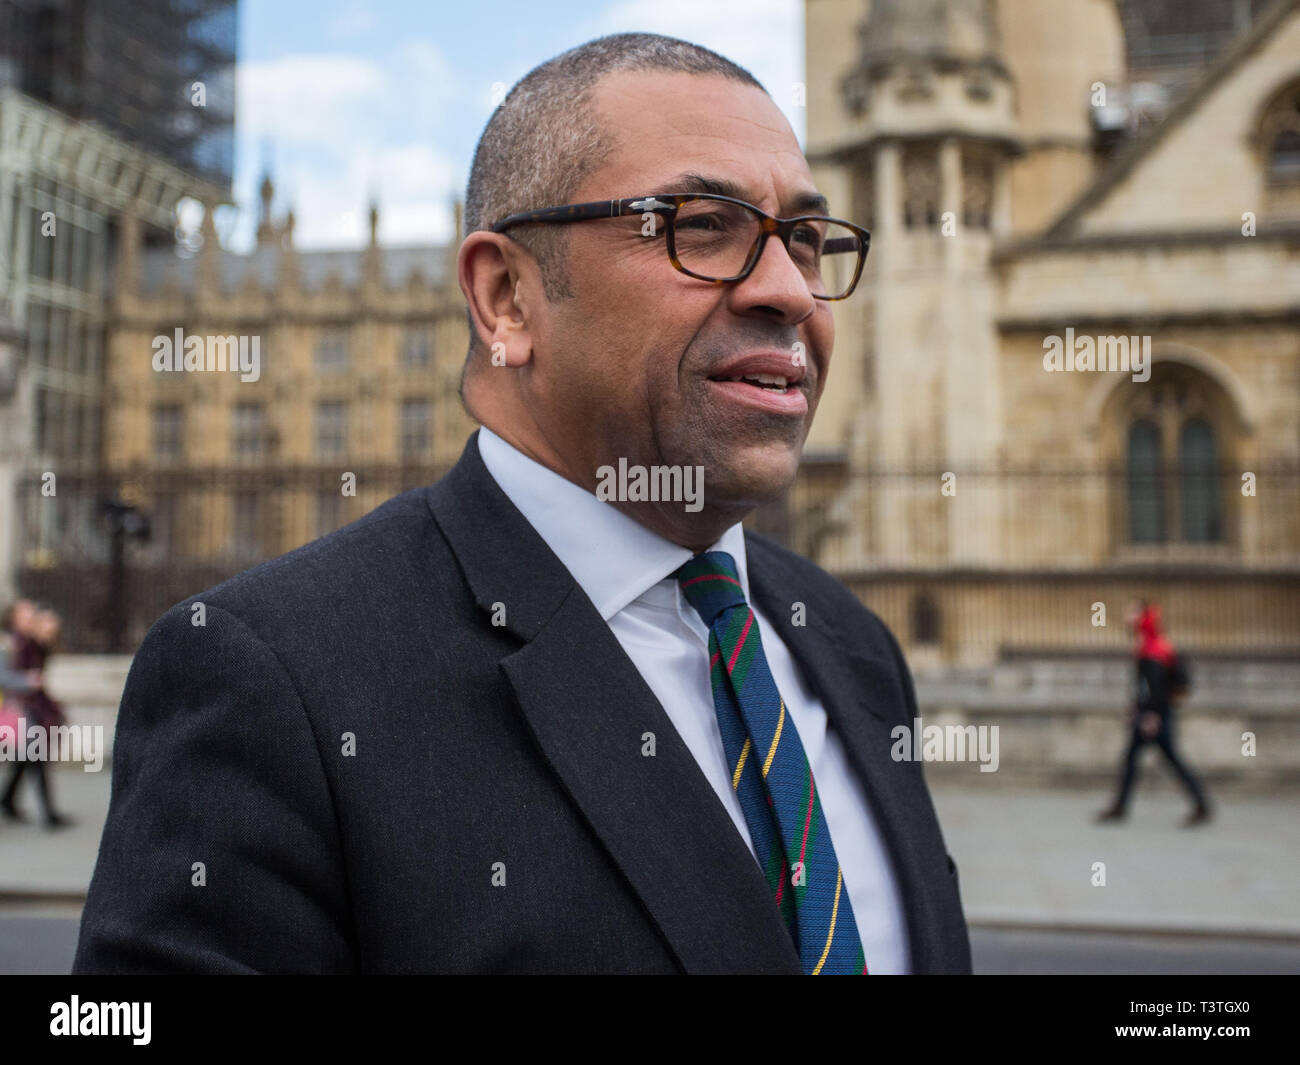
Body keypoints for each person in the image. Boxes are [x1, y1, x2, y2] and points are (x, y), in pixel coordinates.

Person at [74, 33, 971, 974]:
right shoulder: (270, 681)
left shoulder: (850, 644)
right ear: (505, 297)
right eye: (702, 225)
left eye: (805, 239)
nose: (790, 288)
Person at [1097, 601, 1212, 828]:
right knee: (1141, 759)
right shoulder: (1153, 644)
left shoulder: (1152, 647)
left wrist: (1150, 715)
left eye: (1132, 612)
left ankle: (1201, 804)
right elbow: (1145, 686)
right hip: (1153, 713)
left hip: (1155, 716)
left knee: (1158, 759)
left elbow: (1154, 687)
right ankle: (1200, 804)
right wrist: (1137, 708)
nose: (1126, 616)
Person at [1, 602, 73, 829]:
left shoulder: (30, 642)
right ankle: (48, 814)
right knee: (34, 755)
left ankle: (8, 801)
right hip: (15, 710)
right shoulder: (9, 644)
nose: (32, 616)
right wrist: (27, 681)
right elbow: (4, 677)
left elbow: (46, 654)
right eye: (26, 613)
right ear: (14, 618)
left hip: (30, 709)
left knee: (27, 757)